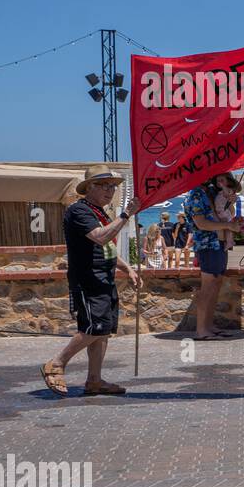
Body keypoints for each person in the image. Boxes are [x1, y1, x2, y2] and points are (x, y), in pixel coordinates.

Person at [41, 167, 142, 397]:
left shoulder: (99, 213)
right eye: (104, 185)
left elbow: (107, 248)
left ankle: (94, 380)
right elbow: (100, 237)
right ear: (89, 188)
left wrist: (127, 268)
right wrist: (126, 214)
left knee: (103, 330)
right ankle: (56, 363)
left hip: (103, 279)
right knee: (93, 327)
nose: (110, 190)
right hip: (88, 280)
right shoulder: (79, 211)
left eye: (113, 186)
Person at [183, 173, 244, 339]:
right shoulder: (195, 194)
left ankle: (208, 326)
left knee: (215, 285)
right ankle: (201, 330)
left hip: (219, 244)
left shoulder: (210, 191)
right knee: (208, 287)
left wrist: (230, 202)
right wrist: (228, 226)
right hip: (208, 244)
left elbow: (226, 211)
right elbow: (201, 223)